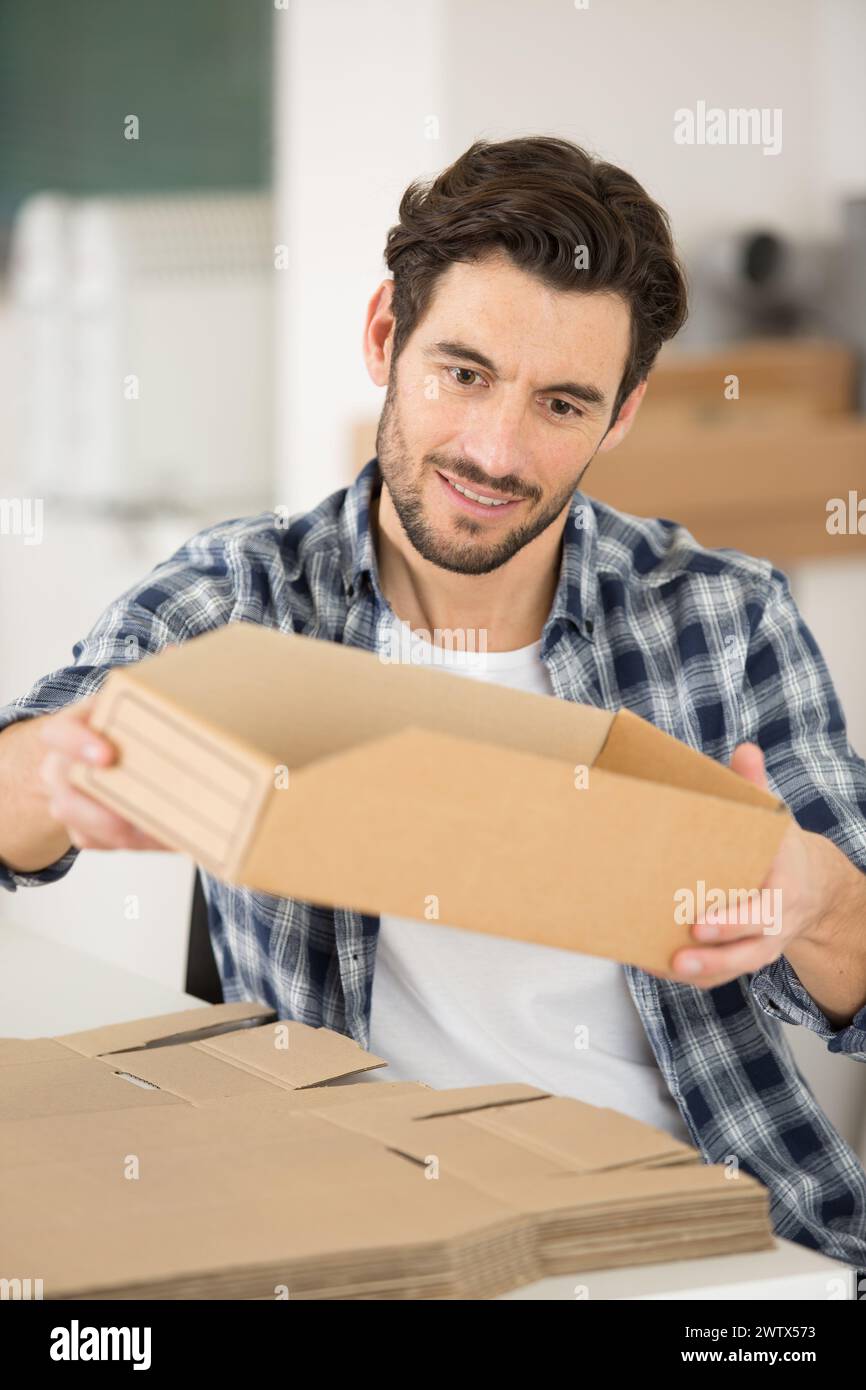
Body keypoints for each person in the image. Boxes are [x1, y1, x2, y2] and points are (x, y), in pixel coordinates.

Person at [2, 136, 866, 1265]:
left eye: (561, 403)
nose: (495, 450)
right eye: (464, 373)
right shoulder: (244, 592)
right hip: (370, 1231)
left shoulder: (723, 614)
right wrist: (60, 767)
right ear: (383, 337)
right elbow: (20, 779)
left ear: (621, 415)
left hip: (707, 1229)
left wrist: (812, 900)